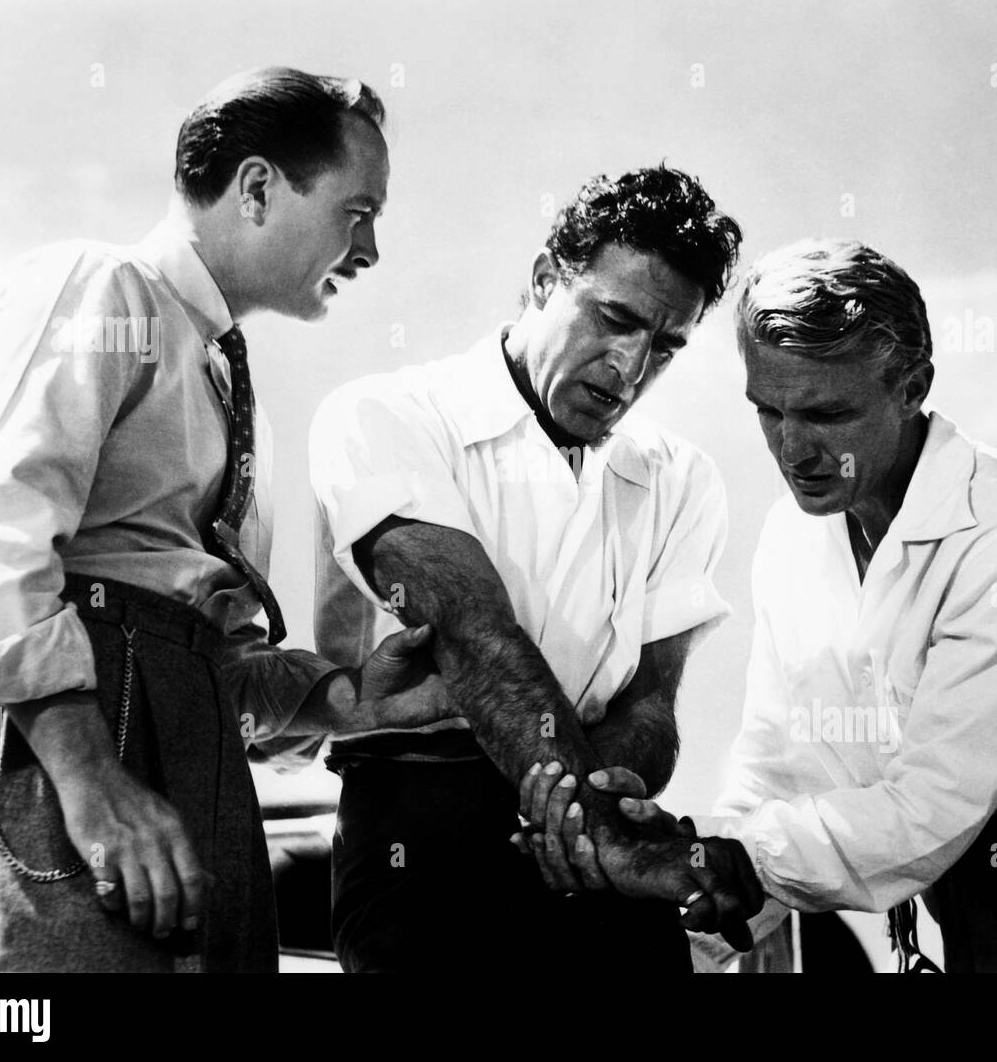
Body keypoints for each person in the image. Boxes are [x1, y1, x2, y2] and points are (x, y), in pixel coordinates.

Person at [0, 66, 452, 972]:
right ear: (260, 187)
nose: (372, 252)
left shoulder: (244, 410)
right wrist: (89, 780)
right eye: (359, 213)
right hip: (68, 765)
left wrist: (342, 700)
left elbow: (212, 665)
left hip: (199, 792)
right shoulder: (99, 288)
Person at [535, 238, 997, 972]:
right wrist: (690, 876)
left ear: (913, 385)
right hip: (924, 905)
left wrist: (724, 860)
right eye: (769, 411)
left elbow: (930, 807)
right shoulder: (797, 535)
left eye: (826, 413)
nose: (794, 450)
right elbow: (778, 772)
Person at [308, 165, 764, 972]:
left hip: (602, 838)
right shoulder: (384, 414)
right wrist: (608, 836)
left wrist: (594, 812)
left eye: (665, 345)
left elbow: (654, 706)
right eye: (614, 318)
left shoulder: (682, 479)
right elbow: (472, 634)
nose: (628, 367)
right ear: (546, 278)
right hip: (425, 844)